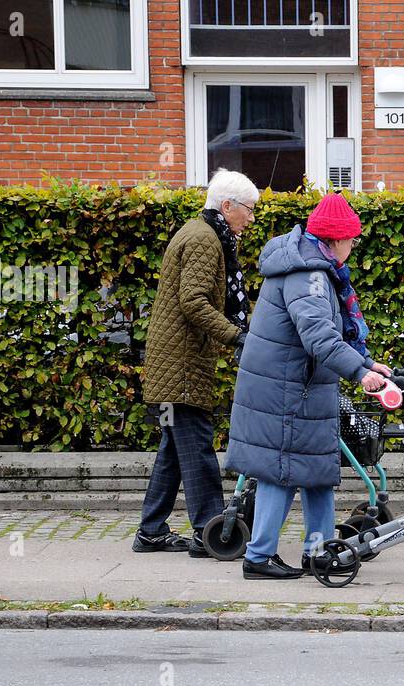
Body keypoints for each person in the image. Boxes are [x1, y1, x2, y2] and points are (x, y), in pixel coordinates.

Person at [226, 193, 392, 579]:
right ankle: (258, 557)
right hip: (286, 390)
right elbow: (318, 335)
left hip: (299, 387)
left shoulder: (310, 265)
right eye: (351, 240)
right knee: (280, 471)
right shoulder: (310, 276)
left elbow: (328, 333)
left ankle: (318, 552)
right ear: (336, 240)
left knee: (317, 471)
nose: (353, 247)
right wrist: (360, 373)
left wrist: (367, 362)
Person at [133, 168, 258, 557]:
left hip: (172, 365)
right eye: (249, 210)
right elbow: (194, 302)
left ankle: (151, 531)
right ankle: (210, 530)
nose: (251, 219)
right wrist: (238, 335)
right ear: (227, 206)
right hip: (182, 369)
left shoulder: (197, 231)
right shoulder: (205, 239)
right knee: (199, 445)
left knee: (173, 449)